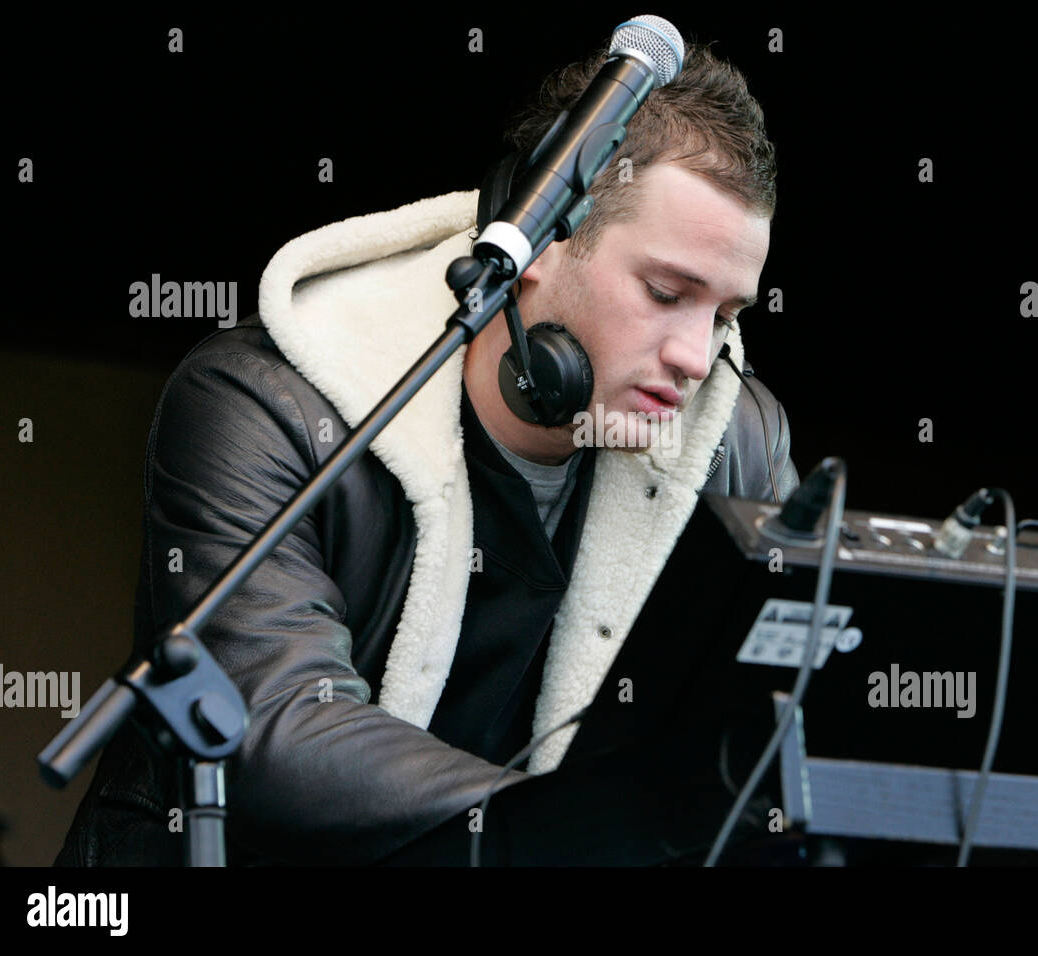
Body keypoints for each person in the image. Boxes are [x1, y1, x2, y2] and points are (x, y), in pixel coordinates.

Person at [55, 41, 799, 866]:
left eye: (726, 315)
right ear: (539, 241)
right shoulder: (269, 400)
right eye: (666, 293)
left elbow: (783, 749)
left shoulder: (734, 447)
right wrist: (573, 826)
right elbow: (277, 722)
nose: (698, 359)